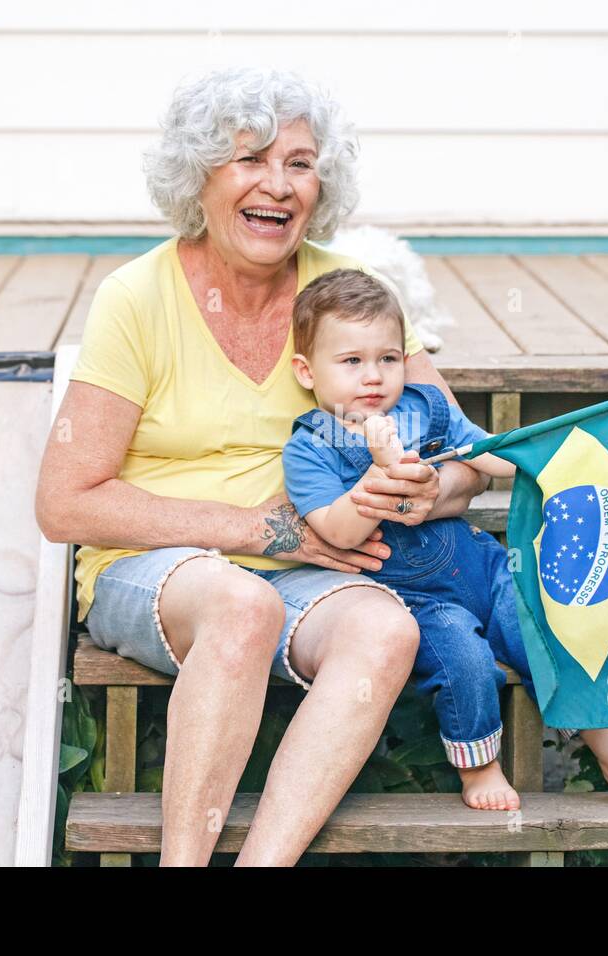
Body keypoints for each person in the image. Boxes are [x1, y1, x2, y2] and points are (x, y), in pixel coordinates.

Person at [34, 66, 491, 865]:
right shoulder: (136, 298)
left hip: (314, 566)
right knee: (242, 604)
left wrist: (431, 491)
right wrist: (261, 530)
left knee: (386, 629)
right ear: (200, 175)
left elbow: (466, 459)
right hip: (160, 567)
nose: (277, 186)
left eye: (300, 163)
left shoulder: (349, 294)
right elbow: (65, 502)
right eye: (249, 159)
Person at [280, 269, 608, 812]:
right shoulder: (310, 447)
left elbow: (483, 454)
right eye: (351, 361)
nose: (373, 376)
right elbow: (335, 530)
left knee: (544, 624)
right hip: (410, 598)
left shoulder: (425, 409)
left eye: (388, 358)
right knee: (464, 660)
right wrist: (374, 481)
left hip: (483, 567)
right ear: (306, 371)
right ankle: (480, 767)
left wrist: (538, 457)